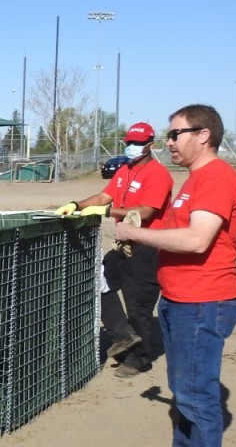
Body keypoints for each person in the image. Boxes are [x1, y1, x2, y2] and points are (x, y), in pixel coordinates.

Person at [114, 104, 236, 447]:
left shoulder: (217, 178)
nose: (167, 142)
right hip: (180, 299)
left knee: (197, 397)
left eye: (175, 134)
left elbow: (196, 240)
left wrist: (133, 231)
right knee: (183, 391)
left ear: (203, 135)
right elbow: (168, 227)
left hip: (203, 302)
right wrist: (135, 224)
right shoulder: (193, 182)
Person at [55, 122, 175, 377]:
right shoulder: (124, 171)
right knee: (97, 279)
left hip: (147, 246)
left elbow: (146, 212)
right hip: (124, 244)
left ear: (151, 145)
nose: (132, 147)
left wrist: (107, 212)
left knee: (138, 305)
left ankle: (139, 359)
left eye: (138, 143)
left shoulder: (158, 175)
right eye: (129, 143)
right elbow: (103, 197)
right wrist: (76, 204)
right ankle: (123, 335)